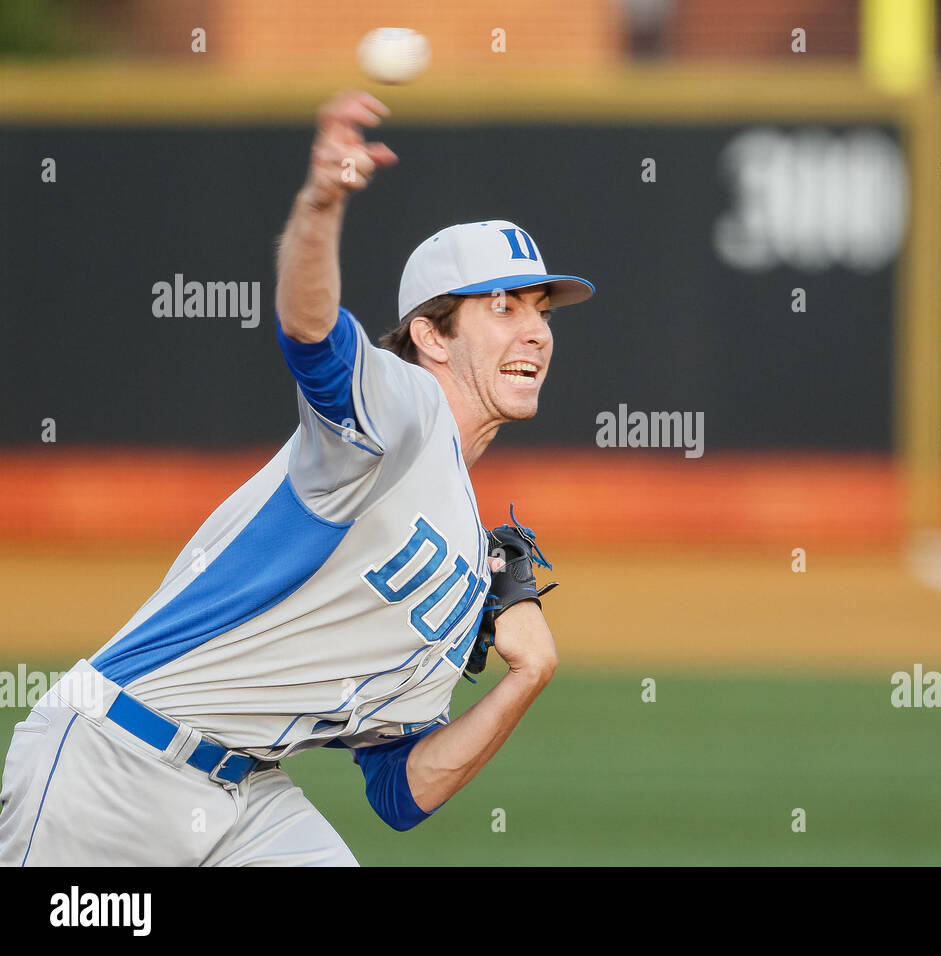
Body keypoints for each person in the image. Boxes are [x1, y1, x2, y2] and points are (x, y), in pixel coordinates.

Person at [0, 90, 594, 866]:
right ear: (430, 336)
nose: (535, 331)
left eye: (543, 310)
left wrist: (528, 677)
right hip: (115, 763)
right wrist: (320, 206)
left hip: (250, 797)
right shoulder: (400, 410)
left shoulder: (462, 557)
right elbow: (312, 336)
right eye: (503, 306)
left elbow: (401, 792)